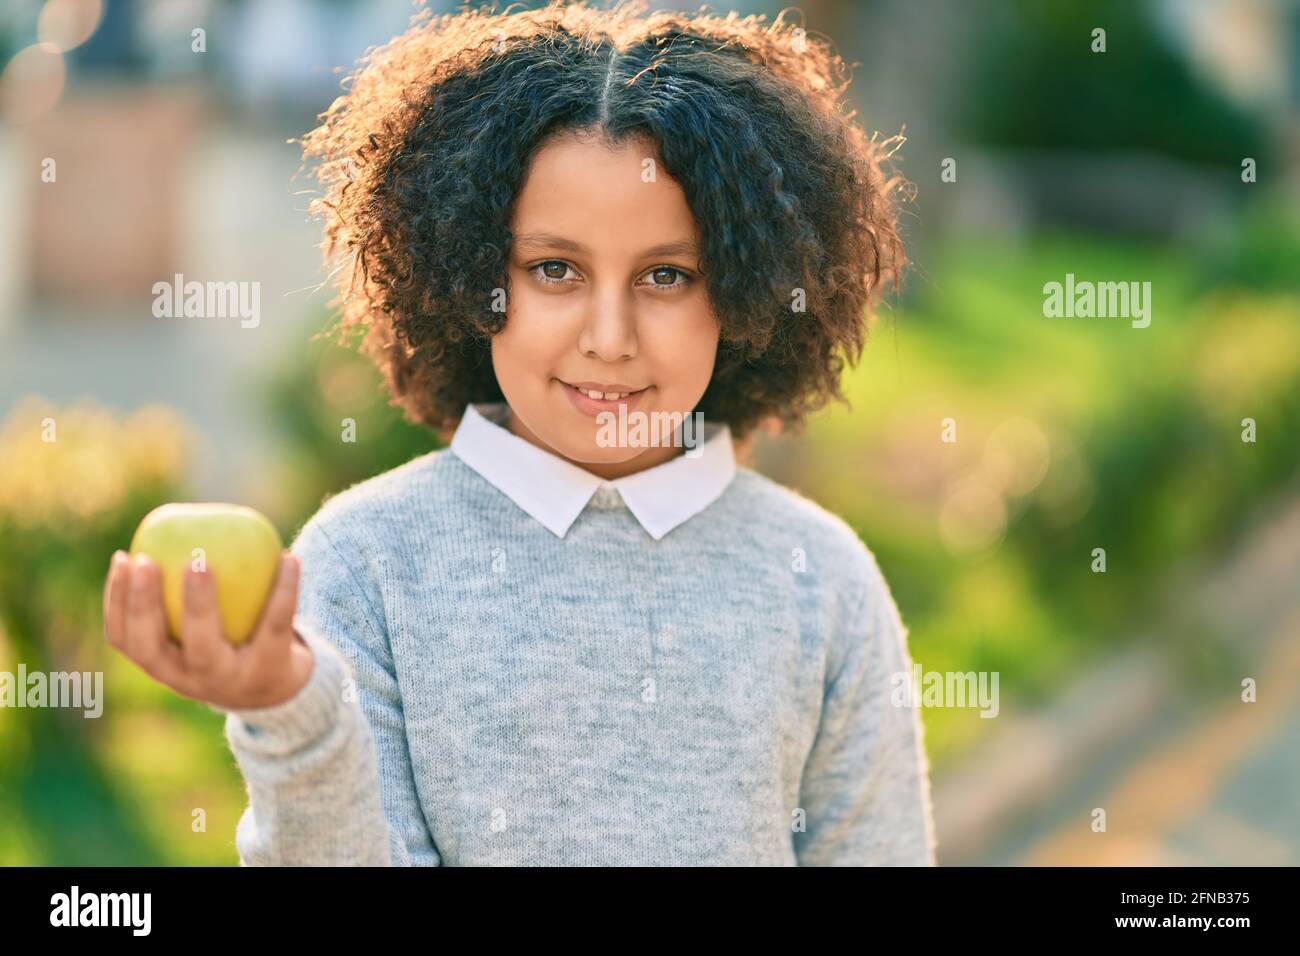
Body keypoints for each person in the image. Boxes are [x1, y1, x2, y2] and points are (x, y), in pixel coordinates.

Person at [103, 0, 935, 866]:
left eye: (666, 275)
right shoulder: (365, 566)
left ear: (747, 287)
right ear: (461, 273)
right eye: (553, 269)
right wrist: (293, 718)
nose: (608, 336)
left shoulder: (822, 581)